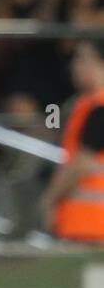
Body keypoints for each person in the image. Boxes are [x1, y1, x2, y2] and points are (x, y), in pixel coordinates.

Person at [43, 42, 104, 241]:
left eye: (82, 59)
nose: (74, 66)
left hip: (90, 226)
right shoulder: (86, 104)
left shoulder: (99, 107)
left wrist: (50, 199)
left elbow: (82, 163)